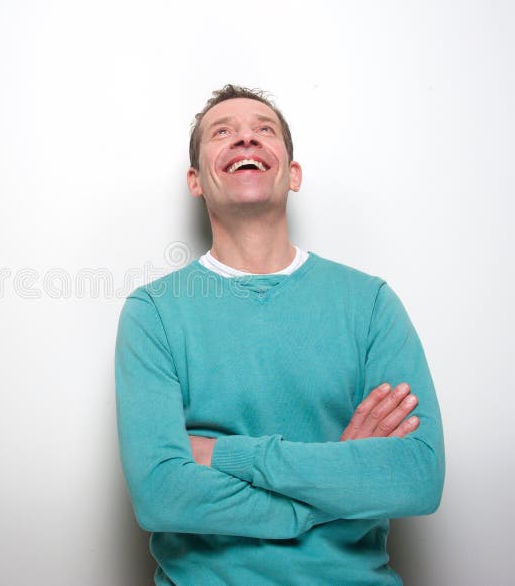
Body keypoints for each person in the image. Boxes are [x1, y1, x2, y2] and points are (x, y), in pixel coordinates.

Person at [114, 85, 444, 585]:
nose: (245, 138)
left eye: (264, 130)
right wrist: (329, 486)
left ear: (292, 174)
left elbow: (417, 477)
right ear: (196, 181)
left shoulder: (370, 303)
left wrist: (224, 453)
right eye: (222, 132)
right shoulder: (154, 313)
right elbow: (161, 495)